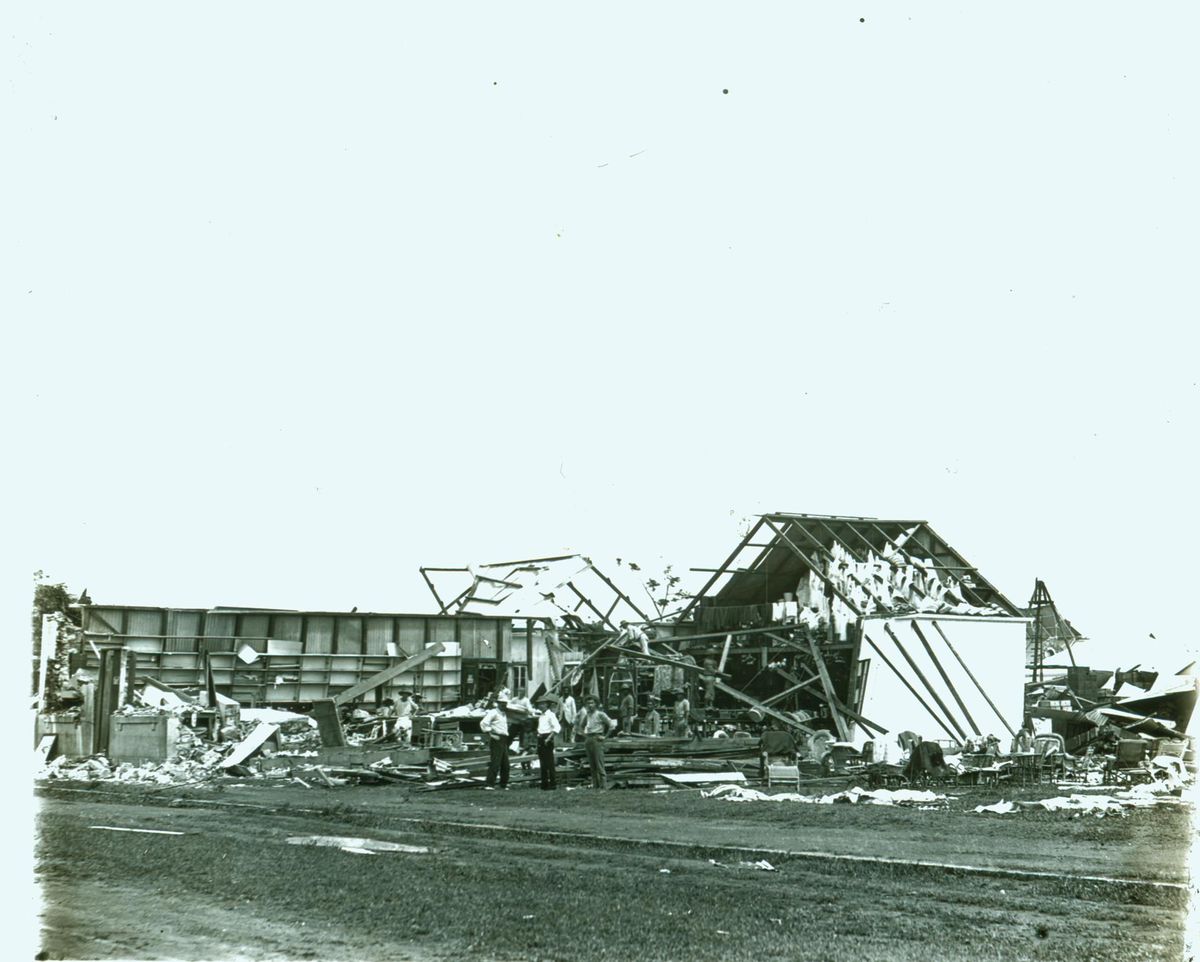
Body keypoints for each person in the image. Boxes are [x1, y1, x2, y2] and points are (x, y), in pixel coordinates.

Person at [577, 694, 617, 788]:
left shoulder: (600, 714)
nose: (590, 705)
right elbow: (581, 727)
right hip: (589, 739)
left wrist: (605, 737)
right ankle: (595, 786)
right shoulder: (587, 715)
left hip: (597, 738)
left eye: (592, 703)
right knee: (592, 764)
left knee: (599, 764)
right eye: (588, 703)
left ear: (596, 704)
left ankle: (603, 786)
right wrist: (585, 736)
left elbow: (612, 725)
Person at [480, 697, 510, 790]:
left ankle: (503, 783)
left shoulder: (503, 713)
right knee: (496, 762)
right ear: (497, 703)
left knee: (505, 763)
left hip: (503, 738)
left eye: (505, 703)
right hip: (497, 738)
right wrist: (491, 733)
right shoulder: (493, 712)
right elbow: (483, 723)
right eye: (502, 703)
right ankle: (489, 784)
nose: (504, 705)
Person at [535, 695, 561, 790]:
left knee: (549, 762)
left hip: (547, 738)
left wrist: (549, 738)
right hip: (541, 738)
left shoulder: (551, 715)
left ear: (547, 705)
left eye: (543, 704)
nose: (541, 706)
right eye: (539, 704)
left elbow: (557, 728)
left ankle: (553, 784)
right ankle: (544, 784)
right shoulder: (541, 716)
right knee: (542, 762)